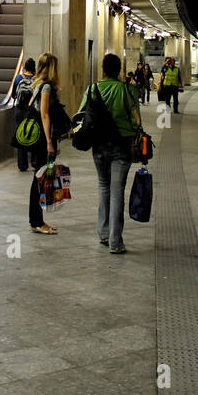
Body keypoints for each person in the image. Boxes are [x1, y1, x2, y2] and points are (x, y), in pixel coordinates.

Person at [81, 53, 141, 254]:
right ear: (119, 70)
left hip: (98, 147)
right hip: (121, 147)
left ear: (103, 69)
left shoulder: (92, 89)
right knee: (117, 192)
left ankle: (104, 233)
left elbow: (82, 115)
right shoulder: (127, 89)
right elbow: (136, 121)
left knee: (103, 186)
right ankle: (116, 242)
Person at [27, 52, 64, 236]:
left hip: (40, 137)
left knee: (39, 178)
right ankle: (36, 221)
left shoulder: (37, 84)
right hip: (43, 138)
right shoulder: (47, 87)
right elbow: (44, 114)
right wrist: (49, 141)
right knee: (39, 179)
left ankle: (37, 220)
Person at [12, 57, 36, 172]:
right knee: (33, 133)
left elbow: (13, 95)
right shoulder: (36, 79)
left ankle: (22, 165)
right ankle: (35, 162)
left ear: (25, 68)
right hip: (31, 110)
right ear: (34, 68)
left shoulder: (18, 78)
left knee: (20, 134)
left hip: (20, 110)